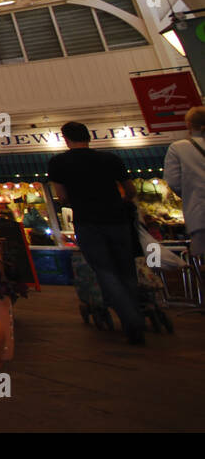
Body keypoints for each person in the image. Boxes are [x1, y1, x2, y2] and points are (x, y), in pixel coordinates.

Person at [47, 121, 145, 344]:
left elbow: (62, 197)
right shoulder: (110, 159)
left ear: (66, 139)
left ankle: (130, 318)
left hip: (87, 221)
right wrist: (121, 199)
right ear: (88, 137)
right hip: (117, 219)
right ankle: (135, 314)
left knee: (105, 270)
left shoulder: (59, 163)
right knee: (126, 268)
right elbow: (130, 190)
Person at [164, 106, 205, 264]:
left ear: (188, 124)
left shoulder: (179, 148)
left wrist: (190, 194)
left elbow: (173, 181)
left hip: (199, 215)